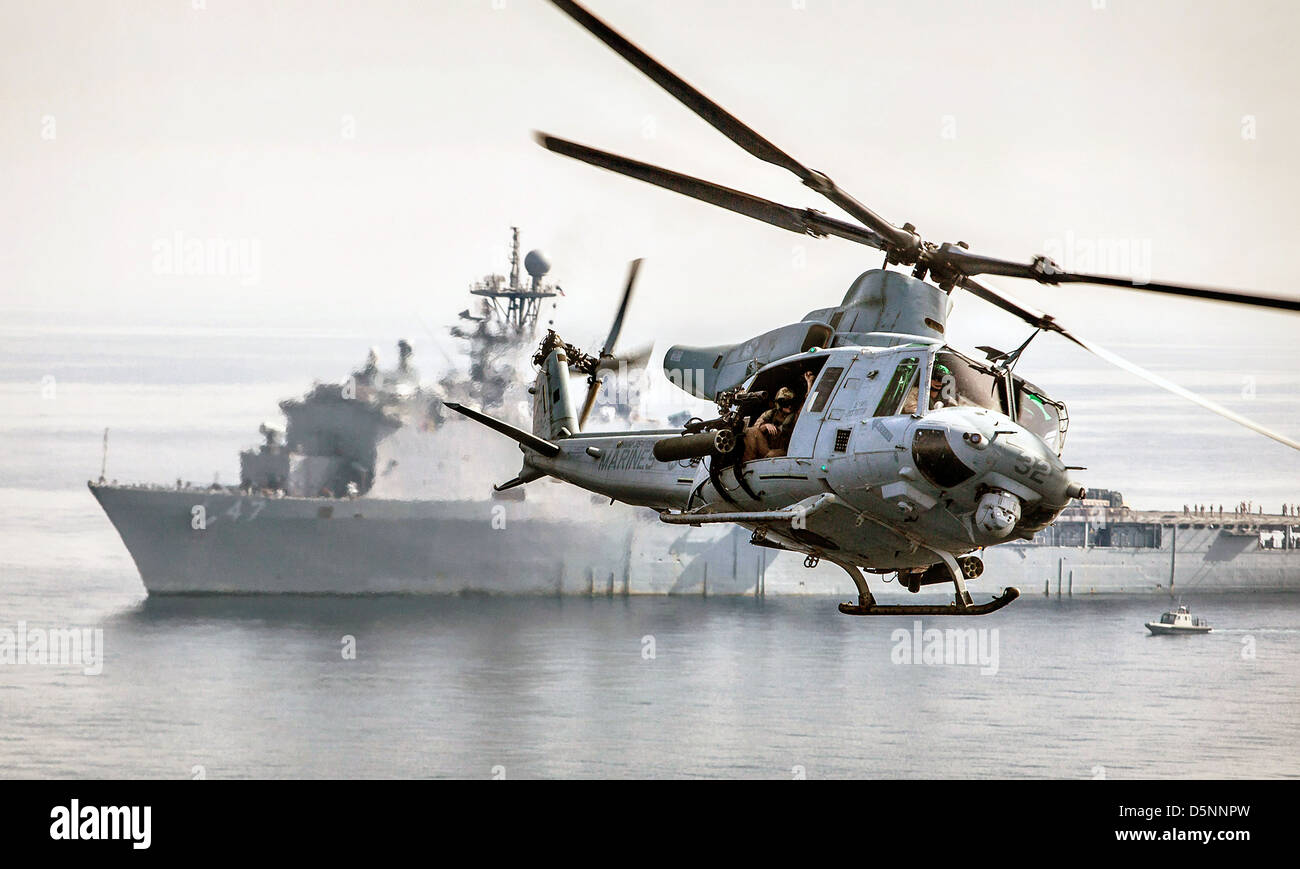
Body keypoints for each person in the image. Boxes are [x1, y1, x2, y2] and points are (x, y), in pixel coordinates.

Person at [744, 386, 798, 460]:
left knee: (771, 455)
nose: (790, 406)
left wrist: (809, 383)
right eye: (786, 403)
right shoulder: (770, 414)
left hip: (786, 449)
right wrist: (766, 426)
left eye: (791, 402)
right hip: (768, 448)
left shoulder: (795, 417)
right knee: (749, 431)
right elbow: (755, 430)